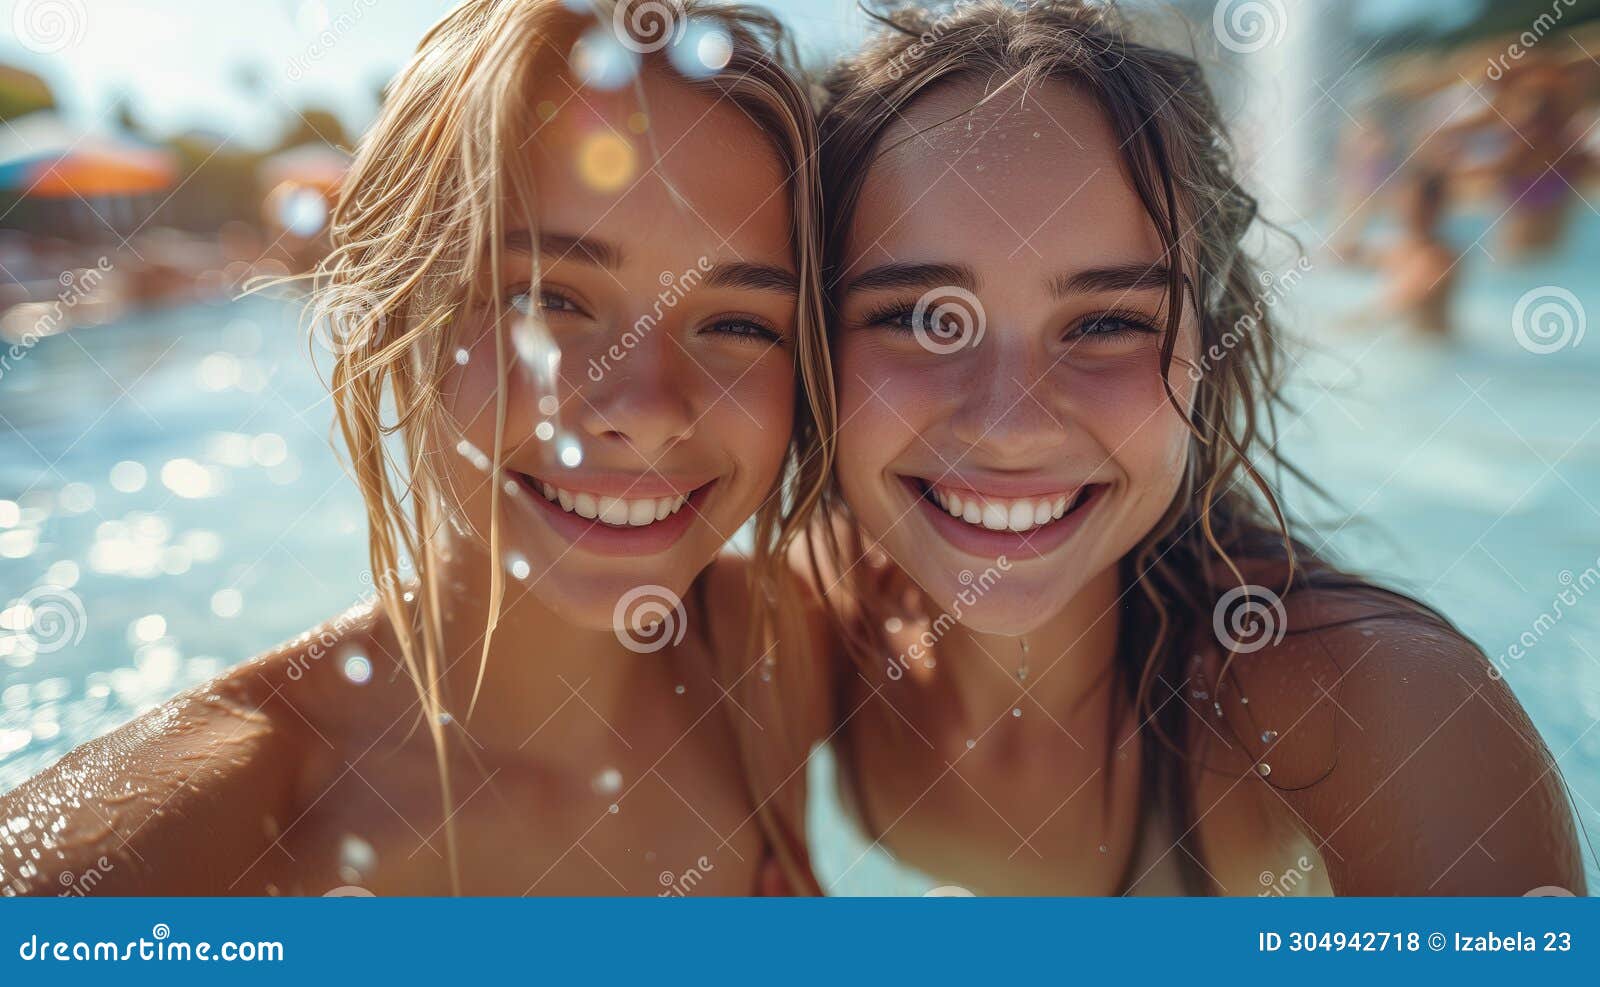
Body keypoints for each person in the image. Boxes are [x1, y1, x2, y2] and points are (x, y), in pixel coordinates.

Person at [751, 0, 1585, 895]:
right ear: (811, 347)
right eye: (921, 318)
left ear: (1209, 343)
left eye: (1108, 321)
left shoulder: (1378, 708)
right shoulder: (805, 623)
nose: (1010, 423)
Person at [0, 0, 832, 896]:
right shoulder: (202, 837)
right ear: (395, 320)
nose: (650, 408)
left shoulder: (781, 653)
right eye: (547, 298)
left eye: (740, 321)